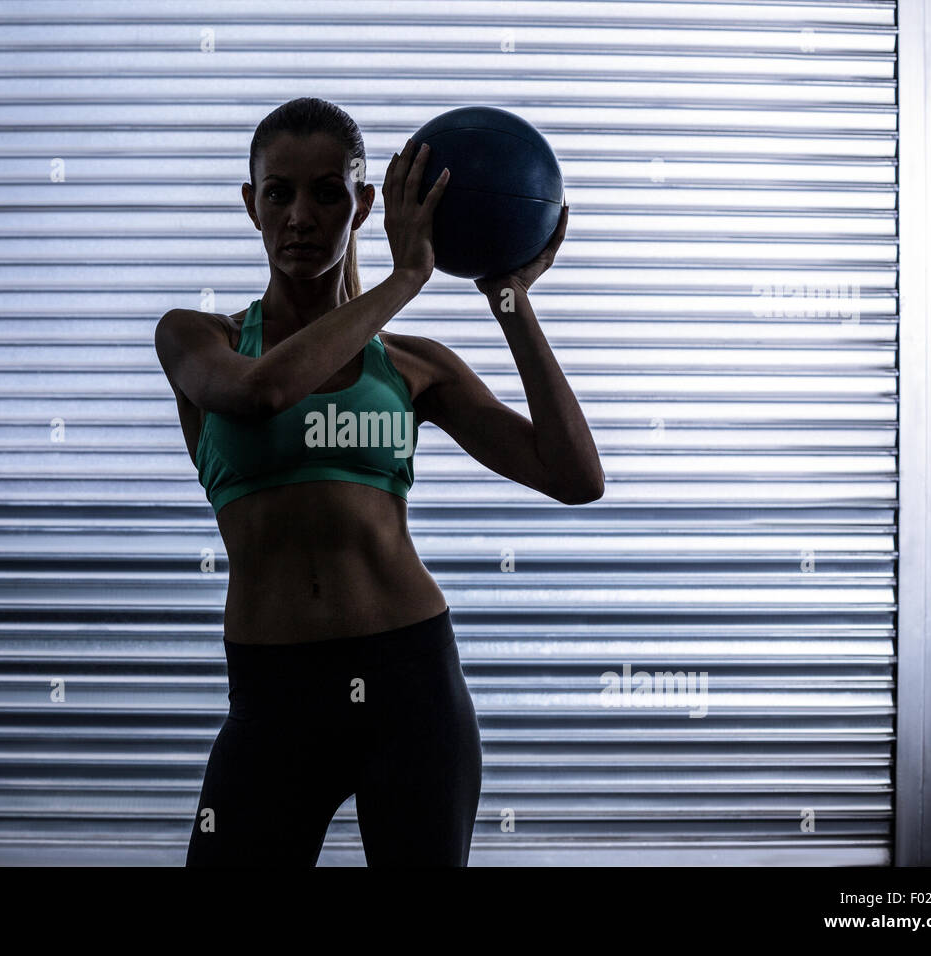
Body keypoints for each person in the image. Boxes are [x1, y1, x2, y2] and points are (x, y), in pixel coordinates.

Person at [154, 97, 603, 866]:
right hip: (274, 693)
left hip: (412, 685)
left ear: (365, 205)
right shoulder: (200, 338)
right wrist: (404, 278)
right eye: (278, 193)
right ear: (249, 203)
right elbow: (262, 393)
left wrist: (511, 300)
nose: (300, 216)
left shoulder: (414, 365)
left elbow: (574, 477)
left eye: (329, 193)